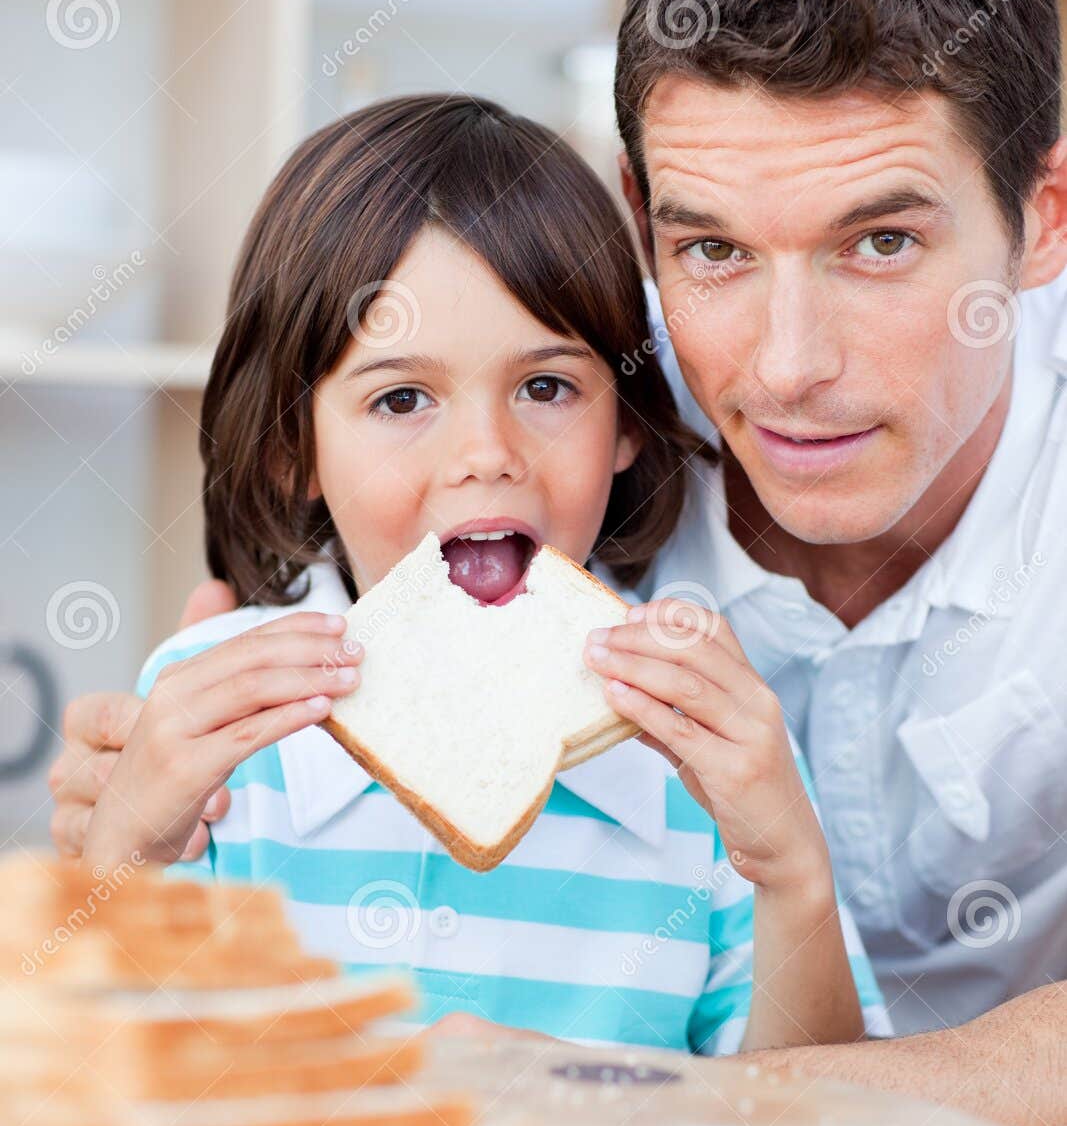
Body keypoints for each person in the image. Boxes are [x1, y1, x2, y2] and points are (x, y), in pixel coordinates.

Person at [52, 0, 1067, 1126]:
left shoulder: (669, 700)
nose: (788, 366)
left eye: (879, 243)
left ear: (1043, 214)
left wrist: (605, 1103)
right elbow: (90, 1054)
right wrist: (121, 848)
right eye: (711, 252)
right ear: (645, 233)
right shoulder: (585, 329)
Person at [77, 93, 885, 1056]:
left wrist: (792, 876)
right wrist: (120, 854)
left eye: (545, 388)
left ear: (628, 422)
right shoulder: (207, 720)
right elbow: (93, 1085)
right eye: (402, 397)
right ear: (294, 447)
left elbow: (807, 1118)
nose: (484, 454)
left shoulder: (711, 741)